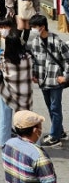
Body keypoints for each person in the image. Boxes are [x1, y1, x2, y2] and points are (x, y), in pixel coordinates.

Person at [28, 15, 69, 146]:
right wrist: (34, 74)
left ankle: (55, 136)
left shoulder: (57, 41)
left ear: (42, 27)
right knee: (50, 107)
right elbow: (34, 60)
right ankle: (59, 131)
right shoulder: (35, 42)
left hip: (55, 80)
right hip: (42, 80)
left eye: (34, 27)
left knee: (55, 108)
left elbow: (68, 59)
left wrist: (65, 77)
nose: (33, 29)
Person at [0, 19, 32, 148]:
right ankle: (27, 141)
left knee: (4, 116)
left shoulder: (4, 58)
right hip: (24, 93)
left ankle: (3, 141)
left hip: (7, 91)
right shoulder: (27, 58)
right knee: (25, 118)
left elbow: (1, 70)